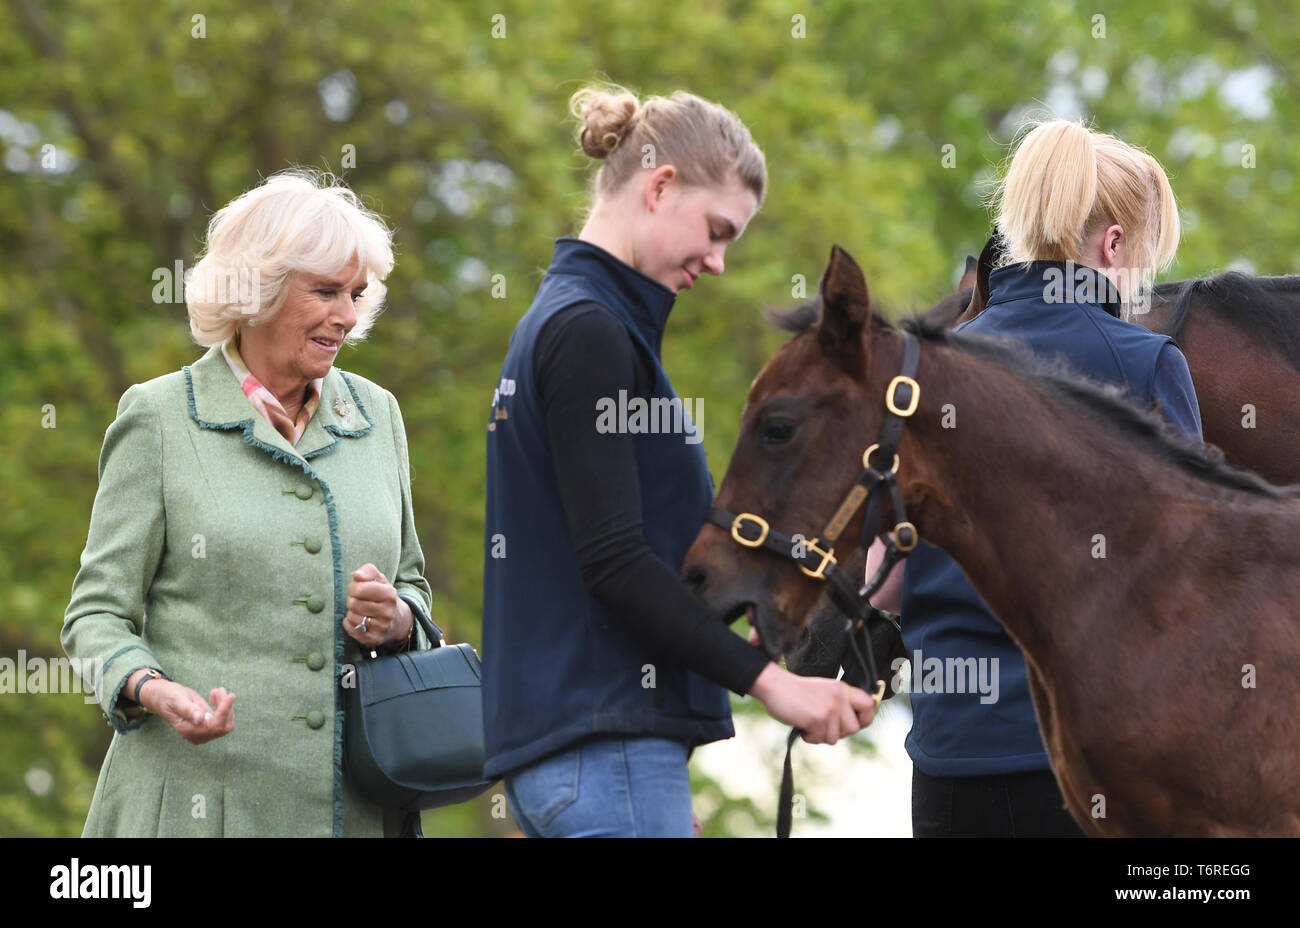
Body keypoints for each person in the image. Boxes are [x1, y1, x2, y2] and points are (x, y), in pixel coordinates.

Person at [482, 86, 876, 838]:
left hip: (600, 754)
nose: (721, 263)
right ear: (660, 185)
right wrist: (773, 686)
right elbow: (613, 563)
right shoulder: (589, 332)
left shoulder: (578, 320)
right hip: (607, 750)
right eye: (717, 230)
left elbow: (619, 556)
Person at [62, 170, 436, 837]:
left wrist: (400, 617)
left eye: (355, 293)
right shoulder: (158, 418)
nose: (348, 316)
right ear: (256, 290)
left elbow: (412, 582)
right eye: (325, 291)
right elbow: (95, 614)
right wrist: (150, 686)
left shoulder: (378, 415)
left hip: (356, 814)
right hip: (197, 810)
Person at [867, 119, 1202, 837]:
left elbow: (886, 580)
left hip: (950, 769)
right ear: (1113, 244)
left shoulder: (925, 371)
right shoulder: (1146, 367)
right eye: (1144, 259)